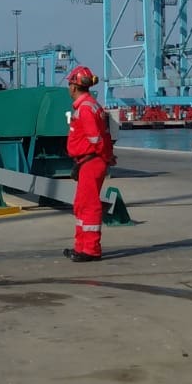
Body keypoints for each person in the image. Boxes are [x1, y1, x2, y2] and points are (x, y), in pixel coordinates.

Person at [64, 66, 115, 263]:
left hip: (90, 161)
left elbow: (95, 138)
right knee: (81, 205)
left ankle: (91, 249)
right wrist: (108, 156)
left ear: (75, 86)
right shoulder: (92, 105)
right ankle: (81, 247)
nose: (68, 88)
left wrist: (104, 156)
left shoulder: (85, 108)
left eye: (69, 84)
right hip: (90, 161)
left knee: (89, 206)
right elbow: (105, 135)